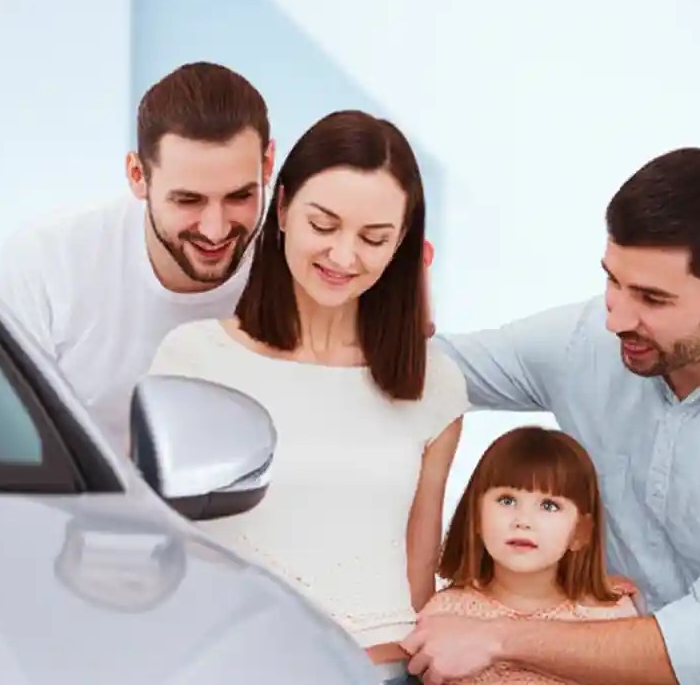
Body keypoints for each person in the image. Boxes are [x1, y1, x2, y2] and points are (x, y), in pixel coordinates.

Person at [403, 147, 700, 685]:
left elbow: (697, 642)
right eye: (613, 280)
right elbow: (425, 375)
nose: (617, 316)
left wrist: (494, 635)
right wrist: (410, 302)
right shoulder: (586, 341)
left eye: (651, 297)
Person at [146, 110, 468, 684]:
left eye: (374, 239)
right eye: (324, 225)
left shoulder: (432, 383)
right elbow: (167, 550)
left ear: (402, 244)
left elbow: (420, 572)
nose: (344, 258)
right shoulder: (194, 359)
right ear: (285, 208)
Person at [0, 62, 274, 456]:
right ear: (138, 176)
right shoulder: (47, 261)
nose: (215, 229)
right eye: (188, 200)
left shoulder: (300, 261)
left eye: (240, 197)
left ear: (268, 165)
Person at [420, 426, 639, 684]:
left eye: (549, 505)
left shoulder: (609, 617)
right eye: (506, 500)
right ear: (476, 518)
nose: (523, 520)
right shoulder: (446, 614)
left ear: (581, 532)